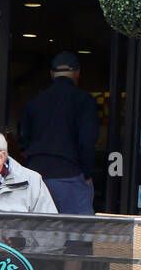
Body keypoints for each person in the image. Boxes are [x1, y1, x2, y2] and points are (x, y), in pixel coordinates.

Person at [19, 51, 98, 214]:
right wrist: (88, 173)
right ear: (78, 73)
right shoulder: (84, 100)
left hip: (37, 175)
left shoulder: (35, 102)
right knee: (78, 233)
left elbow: (24, 140)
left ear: (51, 74)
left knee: (38, 231)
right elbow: (87, 141)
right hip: (70, 174)